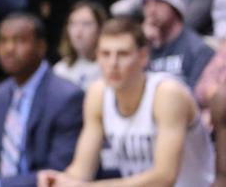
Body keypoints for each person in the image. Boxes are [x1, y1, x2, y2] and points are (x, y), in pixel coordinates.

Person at [38, 17, 212, 187]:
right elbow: (82, 169)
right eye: (105, 54)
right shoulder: (98, 93)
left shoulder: (167, 93)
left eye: (122, 54)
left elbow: (164, 178)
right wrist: (62, 180)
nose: (113, 63)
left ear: (143, 57)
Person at [0, 14, 83, 187]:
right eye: (3, 41)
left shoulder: (66, 97)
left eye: (19, 41)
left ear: (41, 47)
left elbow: (57, 172)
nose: (9, 49)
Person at [140, 0, 214, 89]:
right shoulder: (141, 48)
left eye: (159, 2)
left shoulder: (198, 50)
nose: (151, 10)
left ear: (176, 6)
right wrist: (142, 45)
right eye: (146, 4)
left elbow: (196, 100)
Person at [53, 2, 109, 90]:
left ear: (100, 29)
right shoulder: (60, 70)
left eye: (86, 24)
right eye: (73, 24)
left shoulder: (111, 67)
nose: (78, 32)